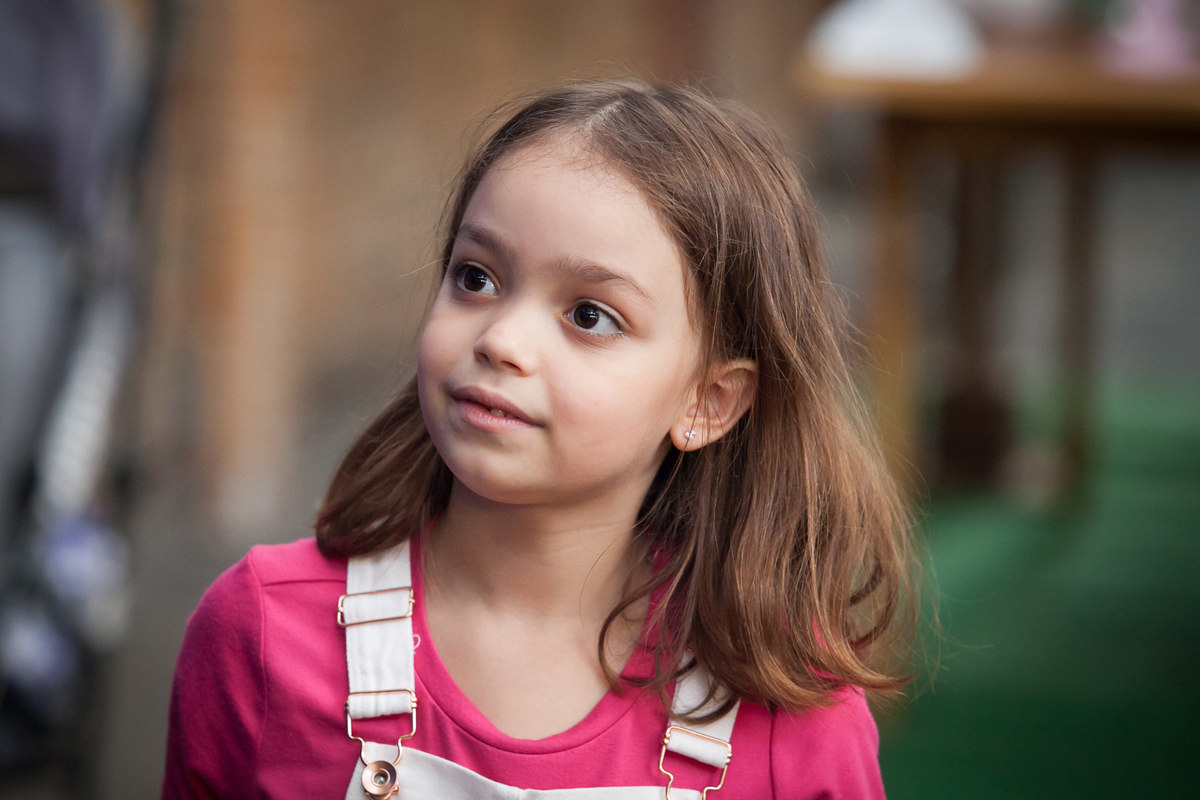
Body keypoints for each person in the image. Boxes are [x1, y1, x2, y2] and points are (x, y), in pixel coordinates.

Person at [162, 80, 916, 799]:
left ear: (708, 402)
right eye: (476, 277)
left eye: (589, 315)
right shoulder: (258, 633)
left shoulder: (790, 715)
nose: (501, 338)